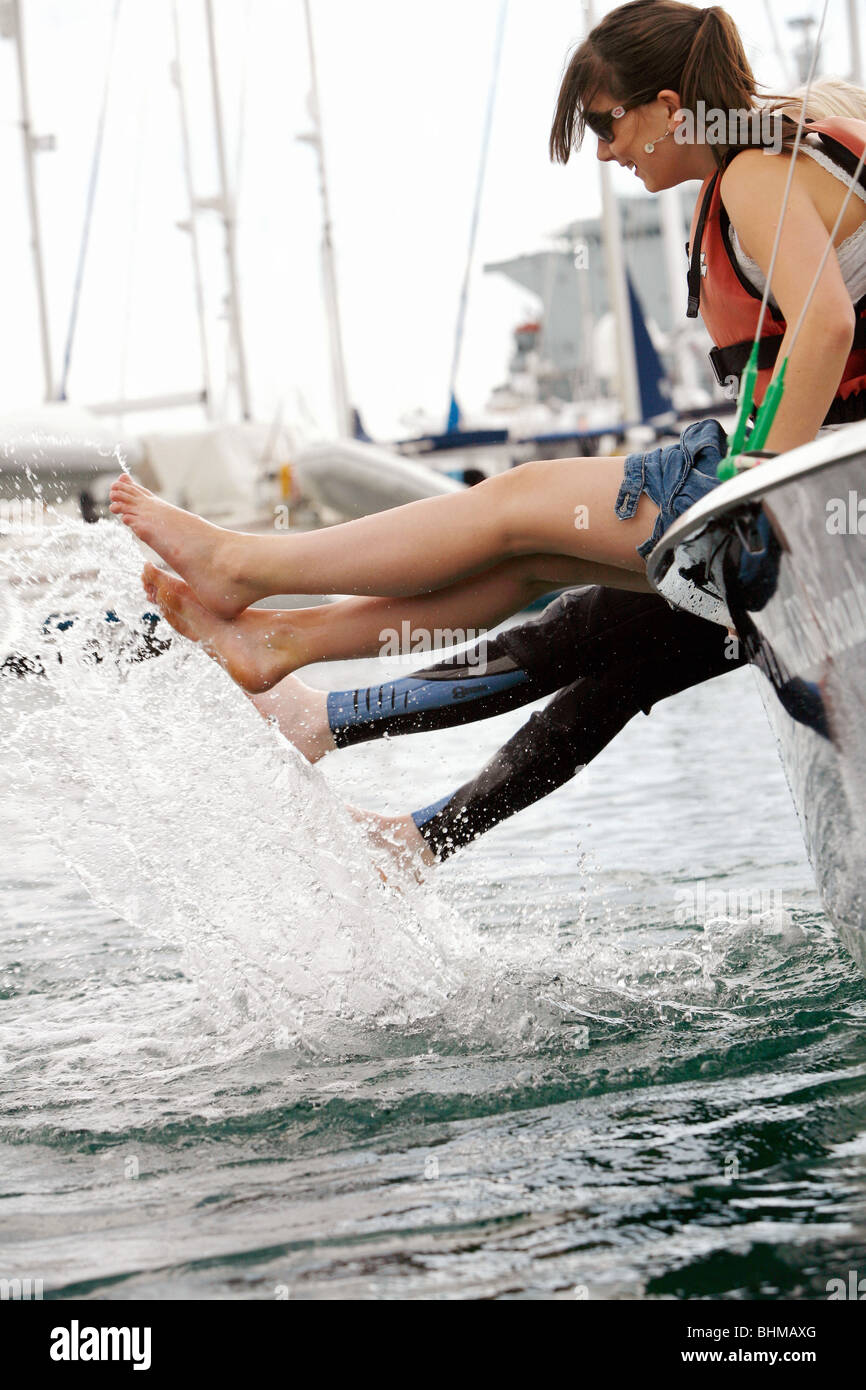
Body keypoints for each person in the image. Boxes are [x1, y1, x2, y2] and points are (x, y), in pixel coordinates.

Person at [110, 1, 866, 861]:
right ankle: (287, 646)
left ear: (666, 104)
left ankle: (245, 568)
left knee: (514, 507)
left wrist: (759, 490)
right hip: (826, 492)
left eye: (605, 123)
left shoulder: (757, 174)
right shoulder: (782, 161)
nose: (604, 150)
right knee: (543, 566)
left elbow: (826, 325)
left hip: (819, 497)